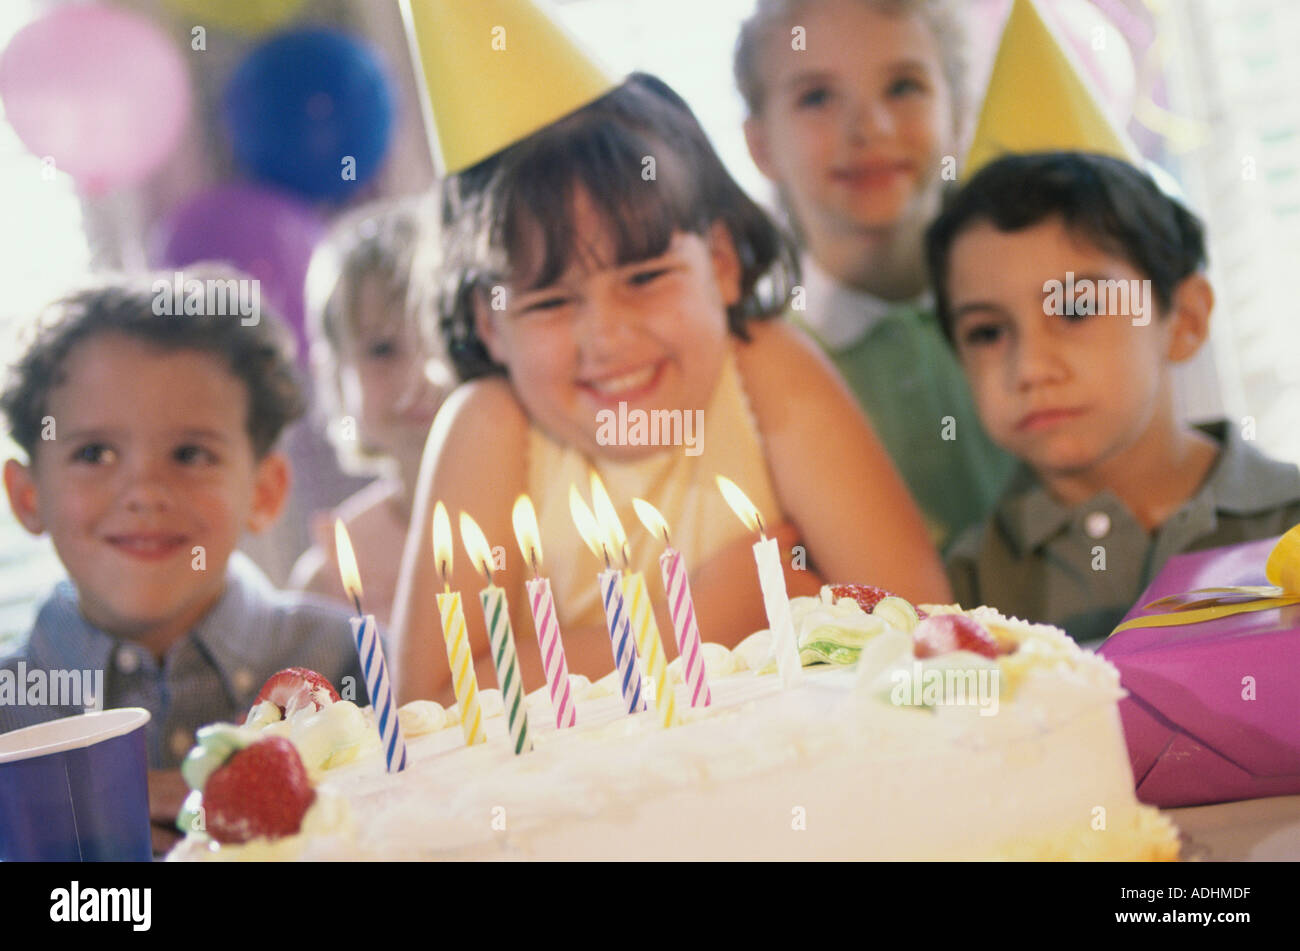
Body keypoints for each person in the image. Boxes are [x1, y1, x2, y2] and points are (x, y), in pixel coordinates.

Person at [391, 73, 950, 705]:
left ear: (721, 265)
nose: (605, 336)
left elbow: (927, 628)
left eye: (646, 276)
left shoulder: (764, 370)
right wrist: (704, 623)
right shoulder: (491, 425)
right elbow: (429, 697)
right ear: (491, 323)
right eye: (549, 301)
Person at [0, 272, 366, 848]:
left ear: (265, 491)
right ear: (27, 496)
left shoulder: (353, 659)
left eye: (190, 453)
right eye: (94, 453)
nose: (144, 491)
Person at [926, 151, 1300, 642]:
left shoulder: (1289, 516)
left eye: (1077, 309)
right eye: (988, 332)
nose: (1031, 368)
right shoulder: (957, 593)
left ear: (1185, 319)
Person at [735, 0, 1017, 547]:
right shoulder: (761, 373)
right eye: (816, 97)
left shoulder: (1042, 314)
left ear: (958, 115)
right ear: (761, 145)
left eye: (904, 86)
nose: (870, 126)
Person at [288, 200, 453, 627]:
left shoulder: (540, 514)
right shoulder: (331, 578)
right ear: (335, 377)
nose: (420, 376)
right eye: (382, 350)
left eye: (438, 340)